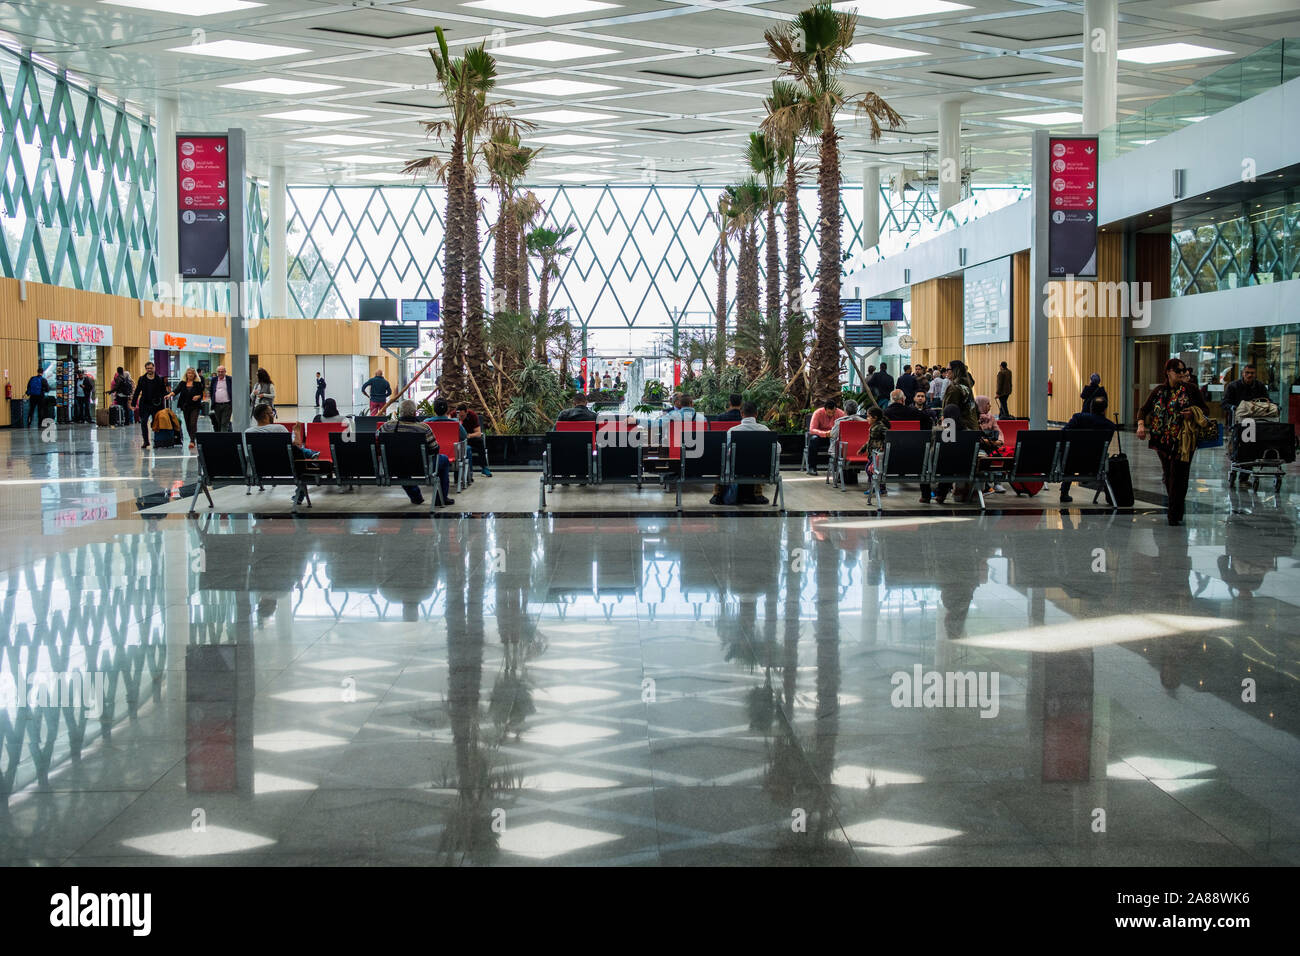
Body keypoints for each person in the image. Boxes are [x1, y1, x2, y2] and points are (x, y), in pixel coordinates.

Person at [1137, 358, 1210, 526]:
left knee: (1179, 475)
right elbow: (1144, 409)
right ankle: (1175, 509)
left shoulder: (1190, 390)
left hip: (1184, 440)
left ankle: (1174, 514)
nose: (1183, 374)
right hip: (1162, 440)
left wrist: (1193, 412)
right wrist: (1141, 425)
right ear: (1169, 372)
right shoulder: (1159, 391)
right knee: (1169, 475)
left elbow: (1205, 409)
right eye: (1178, 371)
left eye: (1184, 371)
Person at [378, 399, 452, 506]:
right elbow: (435, 449)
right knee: (444, 459)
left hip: (395, 466)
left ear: (400, 412)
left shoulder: (387, 426)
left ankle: (416, 496)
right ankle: (441, 499)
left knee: (400, 465)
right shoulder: (423, 428)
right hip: (422, 466)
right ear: (414, 413)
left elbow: (377, 441)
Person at [1059, 394, 1117, 503]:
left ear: (1090, 408)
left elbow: (1063, 434)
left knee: (1071, 454)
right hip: (1094, 464)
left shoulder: (1078, 418)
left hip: (1071, 462)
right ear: (1105, 410)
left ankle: (1064, 492)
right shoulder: (1110, 426)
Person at [726, 401, 770, 505]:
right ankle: (757, 494)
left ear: (742, 414)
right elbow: (777, 449)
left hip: (736, 469)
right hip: (759, 470)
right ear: (756, 414)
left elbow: (725, 450)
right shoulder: (765, 430)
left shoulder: (732, 431)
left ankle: (718, 495)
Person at [131, 361, 171, 449]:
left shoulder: (159, 379)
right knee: (143, 422)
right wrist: (133, 403)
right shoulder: (142, 379)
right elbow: (137, 391)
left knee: (156, 422)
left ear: (154, 368)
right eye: (148, 368)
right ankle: (146, 441)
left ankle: (157, 440)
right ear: (146, 369)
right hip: (145, 404)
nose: (149, 370)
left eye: (151, 368)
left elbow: (163, 391)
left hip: (156, 404)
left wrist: (167, 395)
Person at [805, 397, 844, 475]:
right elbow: (812, 429)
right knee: (813, 440)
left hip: (835, 437)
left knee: (844, 442)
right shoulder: (818, 413)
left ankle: (841, 469)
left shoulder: (840, 413)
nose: (831, 414)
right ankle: (812, 467)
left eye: (833, 412)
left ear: (835, 409)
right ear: (825, 409)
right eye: (829, 412)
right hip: (822, 437)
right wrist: (825, 434)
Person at [858, 406, 892, 496]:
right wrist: (863, 448)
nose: (867, 419)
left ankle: (879, 488)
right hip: (872, 453)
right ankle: (875, 487)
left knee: (872, 470)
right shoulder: (874, 426)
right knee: (870, 469)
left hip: (878, 454)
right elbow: (870, 440)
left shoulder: (880, 427)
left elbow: (889, 436)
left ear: (875, 417)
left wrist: (883, 446)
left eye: (869, 416)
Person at [456, 402, 492, 477]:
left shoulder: (472, 416)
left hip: (469, 438)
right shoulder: (454, 414)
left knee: (479, 441)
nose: (461, 418)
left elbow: (478, 433)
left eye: (462, 416)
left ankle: (484, 468)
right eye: (459, 416)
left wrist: (469, 436)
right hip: (457, 440)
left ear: (467, 412)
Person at [943, 360, 979, 431]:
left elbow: (949, 411)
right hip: (972, 427)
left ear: (955, 370)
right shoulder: (966, 386)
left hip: (958, 430)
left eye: (948, 369)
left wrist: (946, 434)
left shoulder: (954, 388)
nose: (946, 371)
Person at [175, 367, 205, 450]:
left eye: (192, 373)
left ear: (194, 374)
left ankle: (192, 441)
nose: (190, 375)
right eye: (189, 373)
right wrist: (170, 394)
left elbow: (201, 394)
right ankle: (192, 437)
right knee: (187, 424)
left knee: (193, 423)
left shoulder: (198, 383)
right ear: (186, 374)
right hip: (185, 406)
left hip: (195, 406)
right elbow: (176, 390)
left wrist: (198, 396)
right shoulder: (182, 383)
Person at [208, 364, 234, 432]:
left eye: (222, 371)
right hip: (217, 405)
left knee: (224, 423)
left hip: (227, 405)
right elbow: (211, 391)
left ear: (225, 372)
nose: (220, 373)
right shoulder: (214, 380)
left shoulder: (229, 379)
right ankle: (222, 437)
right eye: (219, 371)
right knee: (219, 423)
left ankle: (223, 439)